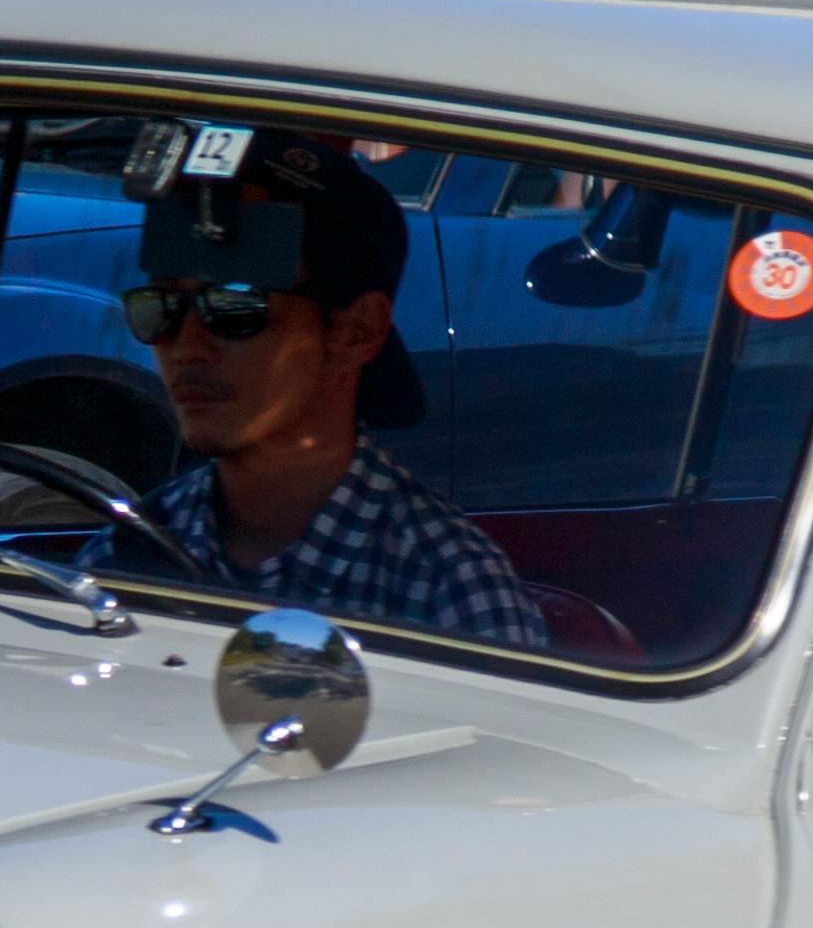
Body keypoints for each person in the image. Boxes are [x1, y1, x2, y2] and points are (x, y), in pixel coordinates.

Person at [122, 127, 551, 650]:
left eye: (236, 308)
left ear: (357, 331)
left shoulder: (452, 599)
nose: (187, 346)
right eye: (159, 308)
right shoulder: (129, 549)